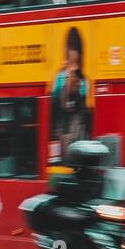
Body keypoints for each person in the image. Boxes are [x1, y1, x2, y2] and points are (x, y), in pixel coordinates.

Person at [51, 26, 92, 159]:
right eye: (71, 60)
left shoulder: (84, 81)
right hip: (62, 132)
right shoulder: (59, 78)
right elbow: (55, 103)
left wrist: (75, 84)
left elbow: (82, 106)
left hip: (77, 134)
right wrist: (66, 82)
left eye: (77, 61)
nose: (74, 65)